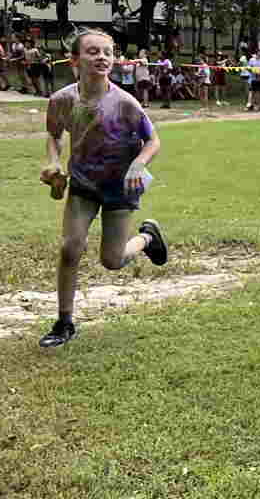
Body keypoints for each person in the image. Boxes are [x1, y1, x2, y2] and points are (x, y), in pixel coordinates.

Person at [35, 29, 171, 348]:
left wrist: (138, 165)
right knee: (70, 247)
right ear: (74, 60)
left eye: (107, 52)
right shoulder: (61, 100)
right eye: (93, 51)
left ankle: (147, 238)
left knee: (112, 260)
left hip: (120, 187)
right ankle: (64, 322)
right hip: (83, 183)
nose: (102, 57)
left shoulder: (125, 103)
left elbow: (153, 140)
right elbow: (54, 135)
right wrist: (53, 162)